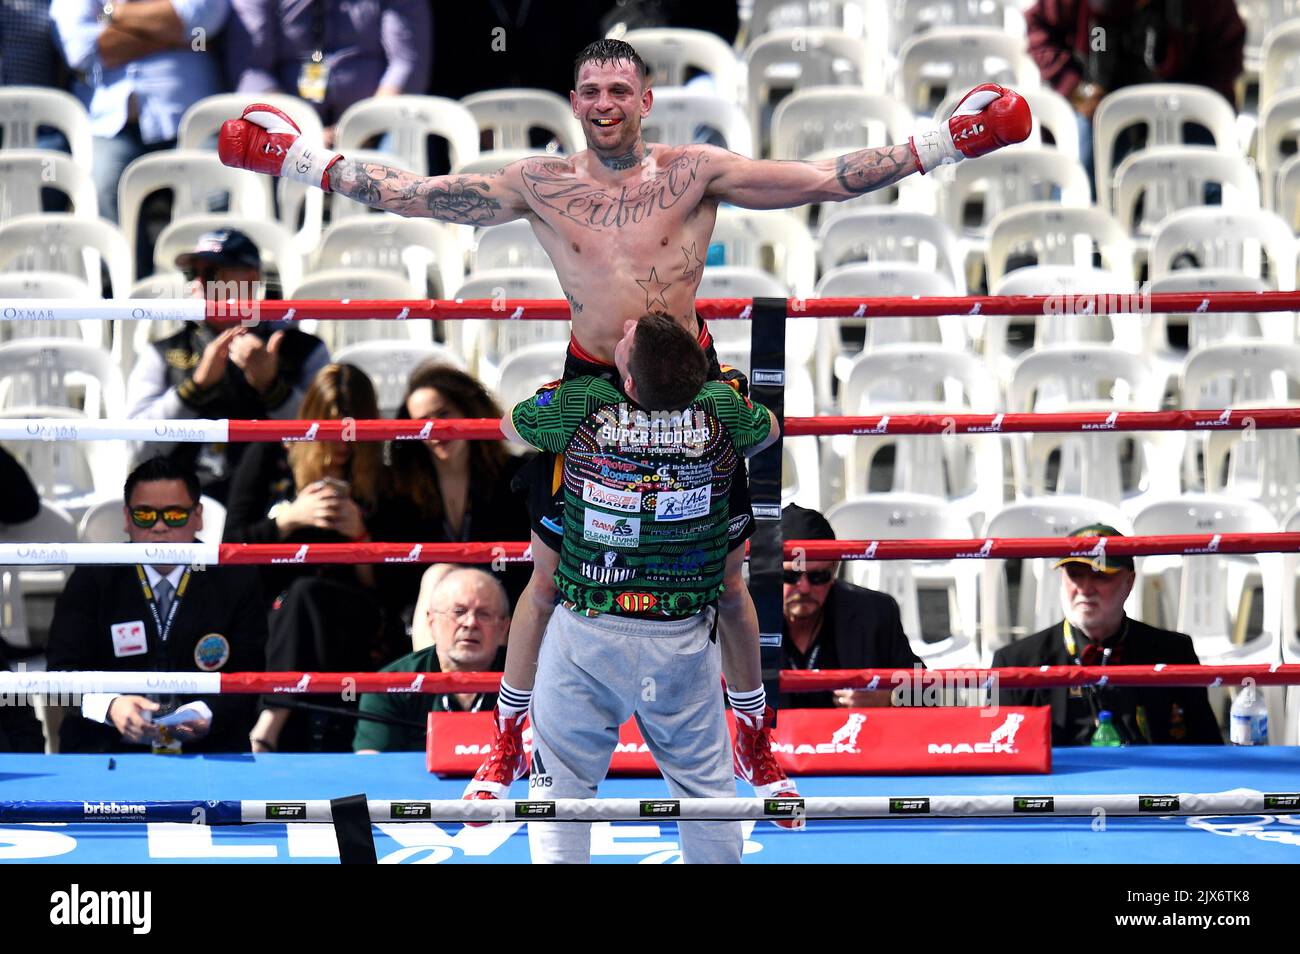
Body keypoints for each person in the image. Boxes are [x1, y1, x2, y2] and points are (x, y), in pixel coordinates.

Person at [215, 37, 1032, 802]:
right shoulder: (540, 184)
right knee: (545, 577)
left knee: (734, 578)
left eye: (620, 89)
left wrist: (944, 144)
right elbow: (417, 197)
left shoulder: (695, 172)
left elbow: (822, 178)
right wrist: (300, 159)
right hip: (591, 392)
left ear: (647, 97)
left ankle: (751, 731)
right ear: (574, 101)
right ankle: (507, 734)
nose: (606, 102)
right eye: (592, 91)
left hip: (687, 389)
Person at [505, 314, 780, 863]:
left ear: (626, 381)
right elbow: (769, 428)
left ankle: (505, 736)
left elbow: (510, 430)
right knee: (707, 796)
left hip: (588, 630)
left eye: (628, 340)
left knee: (559, 795)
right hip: (680, 638)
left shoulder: (584, 404)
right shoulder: (722, 409)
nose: (625, 323)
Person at [46, 455, 266, 753]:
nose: (160, 527)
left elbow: (250, 671)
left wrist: (205, 712)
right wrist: (110, 705)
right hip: (105, 749)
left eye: (175, 515)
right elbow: (61, 676)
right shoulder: (92, 576)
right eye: (145, 516)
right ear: (127, 519)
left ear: (198, 517)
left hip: (208, 752)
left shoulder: (235, 577)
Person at [222, 363, 387, 752]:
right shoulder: (271, 453)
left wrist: (360, 537)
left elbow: (395, 585)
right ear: (311, 421)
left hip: (352, 613)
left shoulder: (383, 475)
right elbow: (230, 549)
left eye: (352, 432)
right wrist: (287, 520)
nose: (342, 445)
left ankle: (270, 724)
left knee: (306, 595)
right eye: (331, 429)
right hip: (274, 609)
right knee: (298, 598)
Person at [125, 228, 331, 502]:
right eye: (191, 274)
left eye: (211, 273)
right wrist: (194, 388)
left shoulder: (302, 349)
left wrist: (273, 389)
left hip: (281, 506)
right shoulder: (164, 351)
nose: (197, 283)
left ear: (252, 278)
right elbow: (138, 450)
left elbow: (330, 445)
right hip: (188, 509)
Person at [992, 523, 1223, 746]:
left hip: (1149, 783)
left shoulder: (1173, 652)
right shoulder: (1015, 662)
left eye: (1100, 575)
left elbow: (1208, 749)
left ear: (1129, 583)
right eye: (1074, 574)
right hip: (1059, 785)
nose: (1084, 588)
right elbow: (998, 759)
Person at [49, 0, 232, 224]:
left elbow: (204, 20)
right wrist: (174, 33)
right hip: (111, 128)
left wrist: (114, 14)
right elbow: (80, 49)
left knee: (218, 190)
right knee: (100, 188)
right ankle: (128, 261)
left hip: (194, 124)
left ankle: (207, 259)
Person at [1026, 0, 1245, 183]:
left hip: (1184, 102)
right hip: (1099, 102)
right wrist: (1075, 88)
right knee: (1080, 167)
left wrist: (1194, 101)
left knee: (1213, 170)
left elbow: (1228, 48)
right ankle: (1084, 229)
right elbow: (1038, 28)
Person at [373, 362, 532, 612]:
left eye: (443, 414)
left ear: (468, 410)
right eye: (423, 422)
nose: (435, 429)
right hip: (430, 616)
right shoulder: (397, 486)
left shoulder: (515, 474)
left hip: (502, 611)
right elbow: (395, 579)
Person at [224, 0, 431, 147]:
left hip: (376, 128)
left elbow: (407, 63)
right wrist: (300, 131)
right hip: (285, 133)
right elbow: (251, 71)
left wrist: (362, 128)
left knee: (404, 140)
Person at [780, 504, 923, 710]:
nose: (804, 588)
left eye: (818, 576)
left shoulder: (875, 613)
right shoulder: (738, 616)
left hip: (851, 739)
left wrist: (886, 699)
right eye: (790, 576)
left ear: (835, 569)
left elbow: (930, 691)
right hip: (773, 741)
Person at [354, 566, 508, 754]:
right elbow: (371, 765)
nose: (470, 623)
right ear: (431, 621)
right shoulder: (388, 686)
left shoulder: (534, 682)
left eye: (484, 614)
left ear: (503, 628)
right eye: (459, 612)